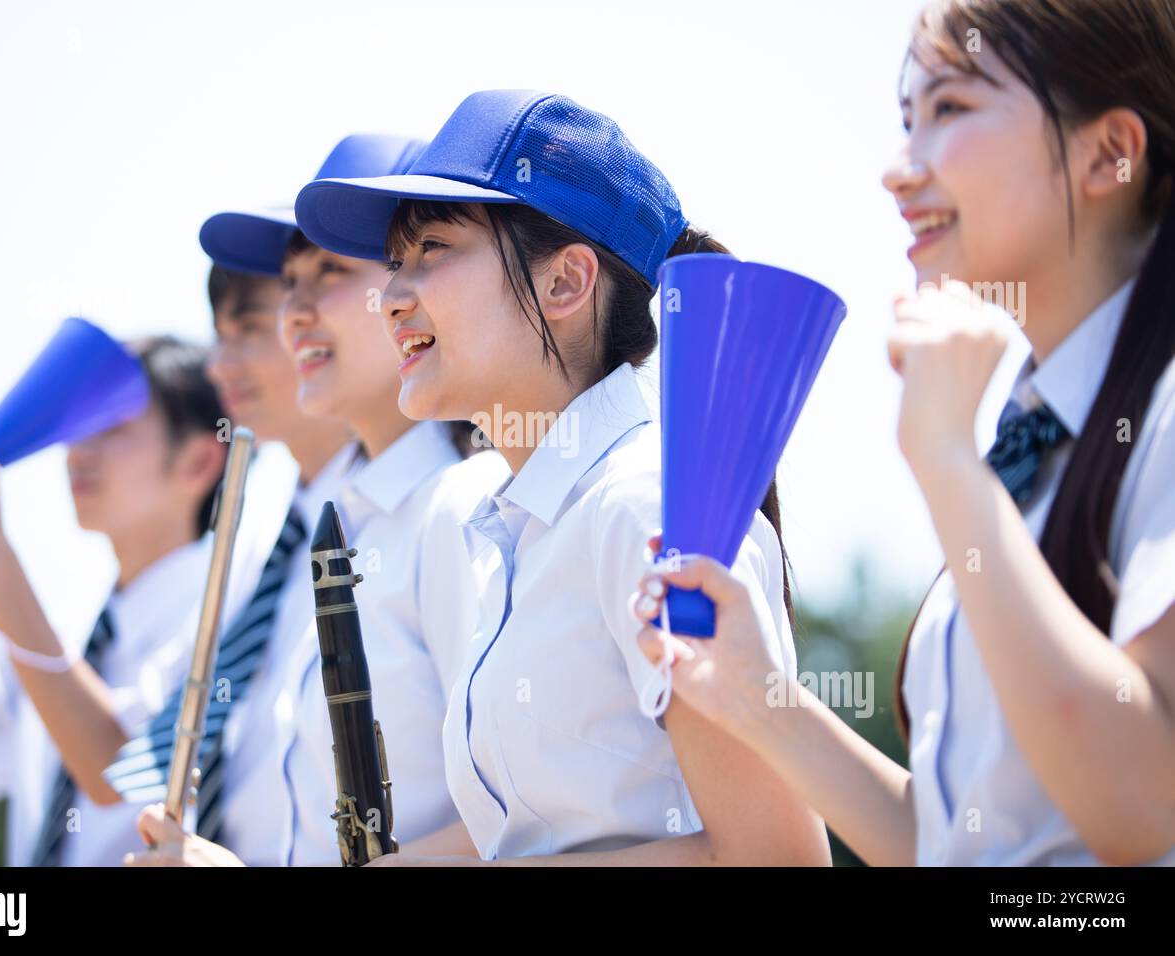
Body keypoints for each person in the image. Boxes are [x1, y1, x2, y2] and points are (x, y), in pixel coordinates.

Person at [633, 0, 1175, 866]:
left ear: (1110, 152)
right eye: (906, 119)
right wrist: (756, 695)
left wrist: (948, 462)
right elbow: (958, 843)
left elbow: (1142, 800)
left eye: (952, 110)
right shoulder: (1032, 437)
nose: (898, 168)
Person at [295, 90, 829, 864]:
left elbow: (777, 857)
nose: (392, 298)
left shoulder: (645, 507)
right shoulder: (513, 530)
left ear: (567, 283)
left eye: (433, 250)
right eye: (393, 264)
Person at [126, 135, 510, 866]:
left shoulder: (466, 511)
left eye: (329, 272)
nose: (291, 314)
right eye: (289, 283)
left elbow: (524, 823)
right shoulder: (335, 525)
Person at [0, 335, 226, 866]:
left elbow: (117, 769)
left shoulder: (231, 621)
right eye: (79, 426)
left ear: (200, 461)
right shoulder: (75, 630)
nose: (80, 449)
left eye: (112, 427)